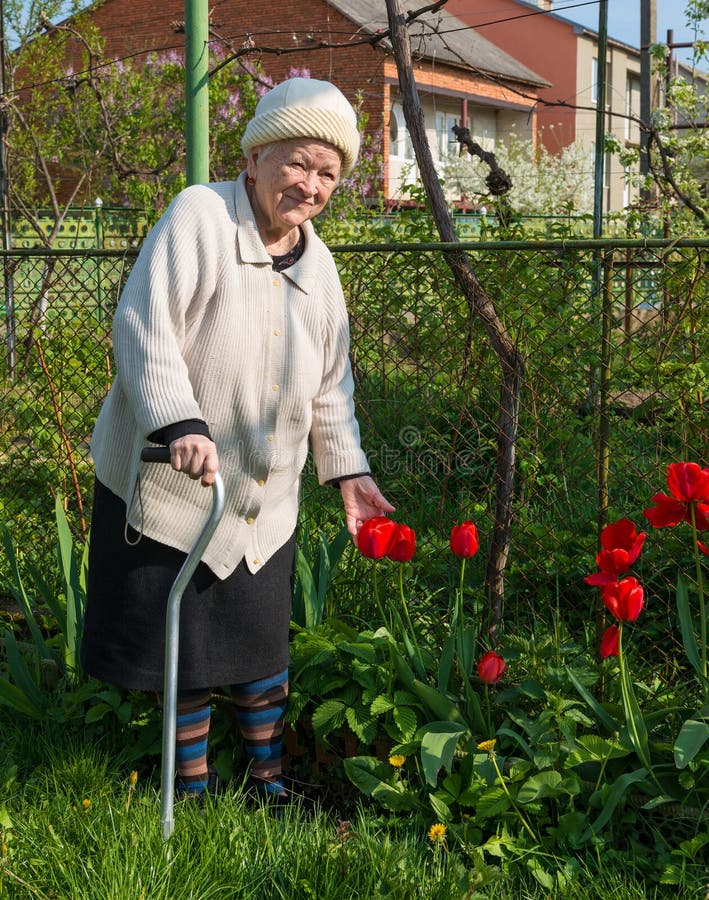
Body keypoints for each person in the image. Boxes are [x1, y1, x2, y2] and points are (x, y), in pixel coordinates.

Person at [80, 77, 394, 806]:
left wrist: (347, 471)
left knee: (261, 649)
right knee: (182, 653)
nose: (310, 184)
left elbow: (330, 383)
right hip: (171, 483)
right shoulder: (199, 216)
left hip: (263, 495)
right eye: (298, 162)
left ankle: (268, 783)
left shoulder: (320, 267)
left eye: (328, 173)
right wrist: (178, 421)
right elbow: (143, 326)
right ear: (254, 158)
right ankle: (190, 786)